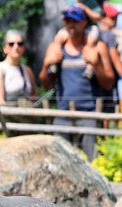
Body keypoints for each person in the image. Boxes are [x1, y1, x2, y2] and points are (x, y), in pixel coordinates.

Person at [40, 5, 114, 159]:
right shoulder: (55, 49)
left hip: (89, 114)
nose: (71, 25)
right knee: (59, 161)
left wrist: (96, 64)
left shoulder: (98, 48)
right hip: (63, 115)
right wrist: (47, 64)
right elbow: (46, 84)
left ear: (84, 22)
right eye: (67, 21)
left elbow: (109, 83)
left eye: (75, 21)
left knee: (94, 161)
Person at [98, 3, 122, 118]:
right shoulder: (109, 35)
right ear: (103, 18)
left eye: (116, 17)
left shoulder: (95, 34)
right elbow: (115, 59)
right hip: (109, 77)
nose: (115, 20)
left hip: (98, 78)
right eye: (112, 17)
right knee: (109, 109)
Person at [0, 30, 38, 104]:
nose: (16, 47)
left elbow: (34, 97)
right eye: (11, 44)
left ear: (24, 47)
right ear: (5, 48)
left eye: (20, 44)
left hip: (25, 112)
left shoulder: (27, 70)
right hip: (5, 113)